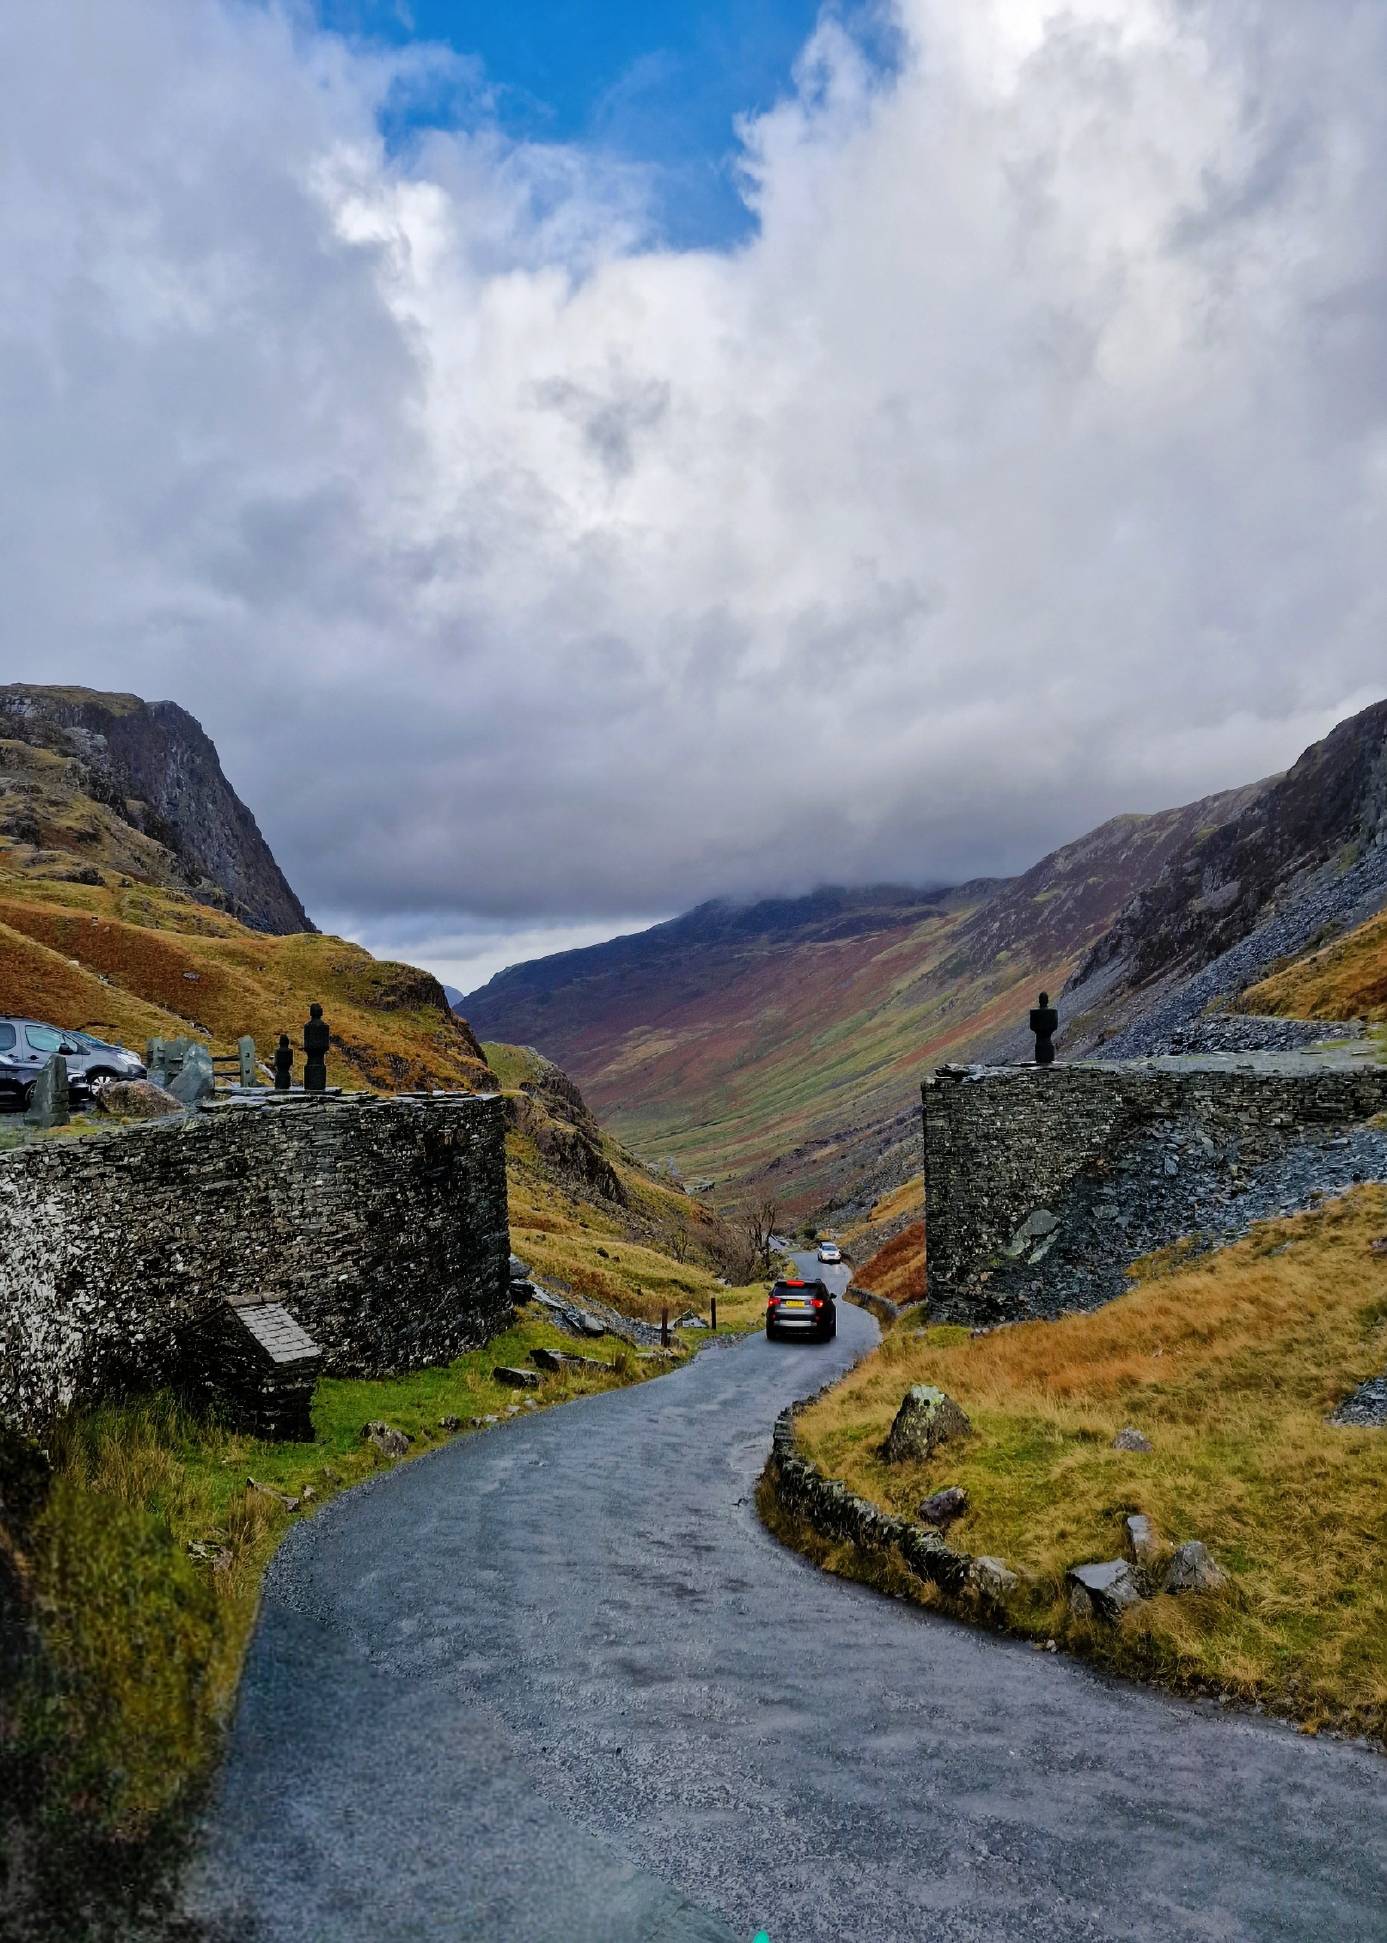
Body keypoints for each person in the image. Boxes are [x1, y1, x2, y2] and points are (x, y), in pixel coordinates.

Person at [303, 1004, 329, 1091]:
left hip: (314, 1061)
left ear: (311, 1012)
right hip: (316, 1061)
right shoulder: (324, 1026)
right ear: (321, 1012)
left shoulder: (308, 1026)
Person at [1029, 990, 1058, 1065]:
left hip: (1039, 1044)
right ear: (1047, 1000)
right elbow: (1055, 1025)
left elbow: (1032, 1026)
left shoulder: (1034, 1013)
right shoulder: (1052, 1012)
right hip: (1048, 1044)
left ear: (1039, 1000)